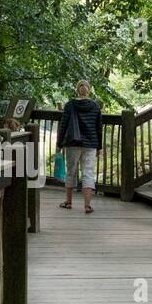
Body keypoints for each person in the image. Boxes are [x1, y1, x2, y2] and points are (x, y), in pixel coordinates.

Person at [57, 79, 103, 214]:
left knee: (71, 171)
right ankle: (87, 205)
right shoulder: (95, 106)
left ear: (77, 90)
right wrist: (99, 146)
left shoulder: (69, 105)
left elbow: (63, 126)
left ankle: (68, 202)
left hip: (73, 143)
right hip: (91, 143)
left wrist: (59, 144)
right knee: (88, 172)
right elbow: (98, 128)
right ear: (89, 90)